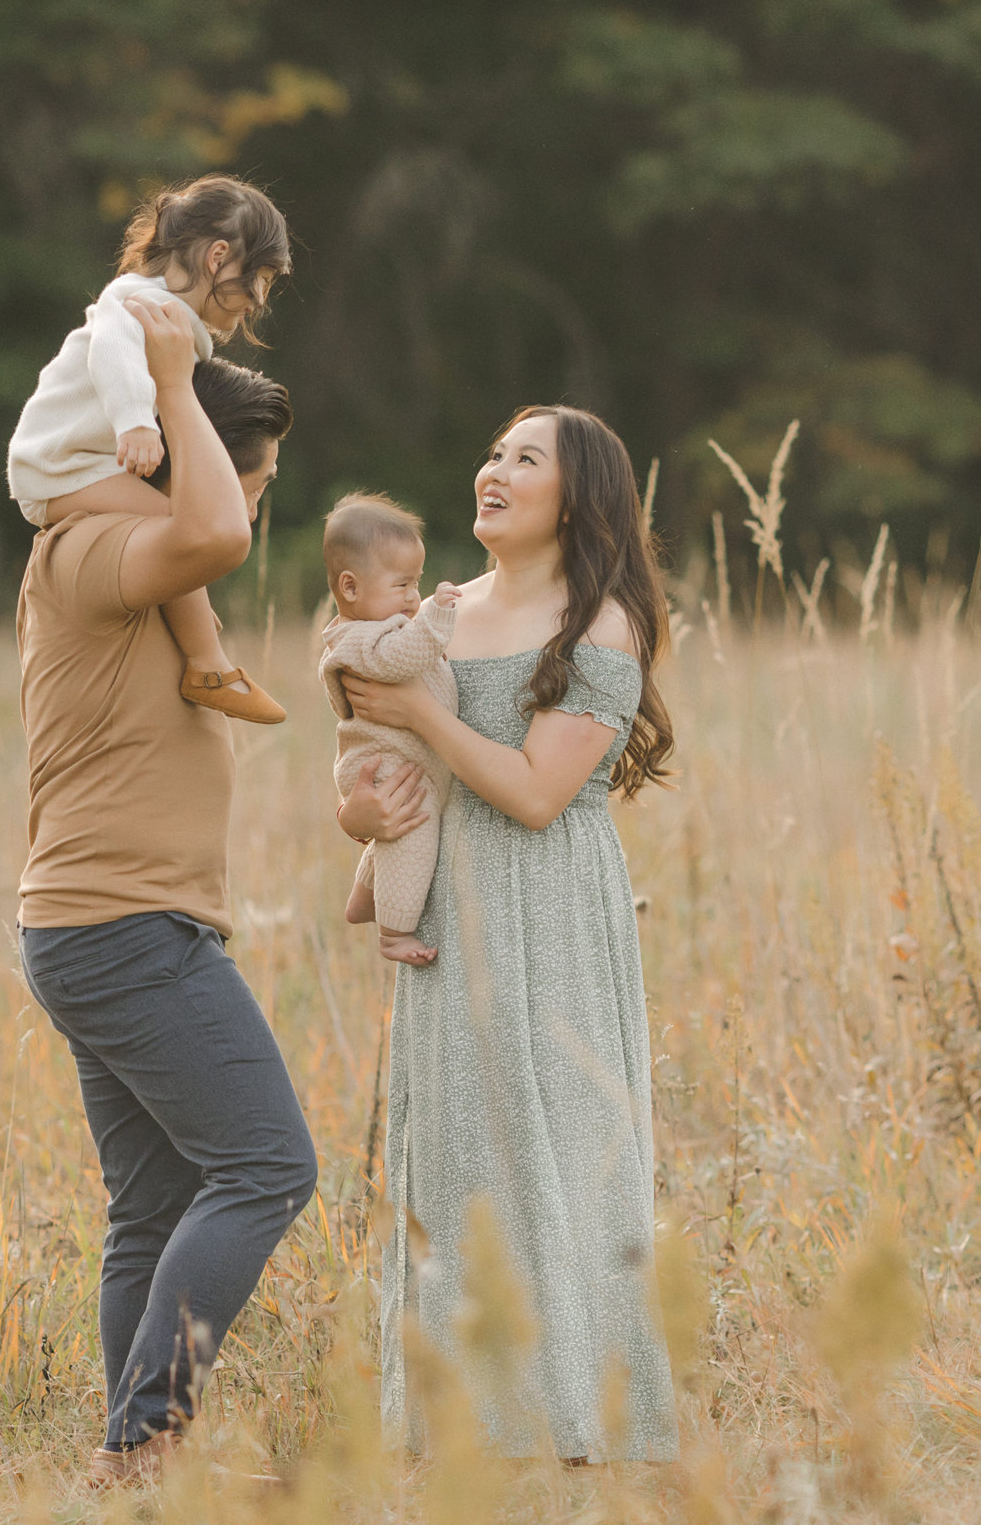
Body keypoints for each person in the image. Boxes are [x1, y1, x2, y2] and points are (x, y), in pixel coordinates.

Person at [334, 405, 680, 1463]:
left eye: (524, 459)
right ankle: (456, 1419)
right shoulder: (434, 611)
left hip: (554, 902)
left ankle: (581, 1412)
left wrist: (425, 715)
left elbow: (536, 792)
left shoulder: (601, 620)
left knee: (563, 1146)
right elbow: (375, 767)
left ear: (576, 496)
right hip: (452, 899)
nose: (493, 469)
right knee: (454, 1153)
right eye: (491, 451)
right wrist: (362, 819)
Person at [15, 292, 314, 1484]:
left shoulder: (127, 560)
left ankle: (128, 1461)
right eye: (260, 474)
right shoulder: (105, 552)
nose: (259, 498)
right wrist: (178, 391)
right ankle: (143, 1441)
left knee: (154, 1207)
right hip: (123, 928)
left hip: (111, 924)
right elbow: (214, 531)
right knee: (267, 1166)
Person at [7, 174, 294, 724]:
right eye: (258, 279)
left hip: (79, 465)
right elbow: (111, 353)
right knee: (184, 525)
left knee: (182, 527)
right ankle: (208, 665)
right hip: (59, 468)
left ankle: (202, 646)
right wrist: (137, 422)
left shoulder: (170, 316)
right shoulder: (138, 303)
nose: (259, 300)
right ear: (217, 258)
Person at [317, 492, 460, 966]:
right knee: (411, 838)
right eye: (402, 585)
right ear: (351, 588)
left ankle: (363, 900)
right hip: (384, 765)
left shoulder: (377, 626)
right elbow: (398, 659)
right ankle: (394, 934)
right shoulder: (359, 640)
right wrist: (435, 622)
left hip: (398, 761)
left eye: (416, 584)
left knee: (393, 840)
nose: (414, 597)